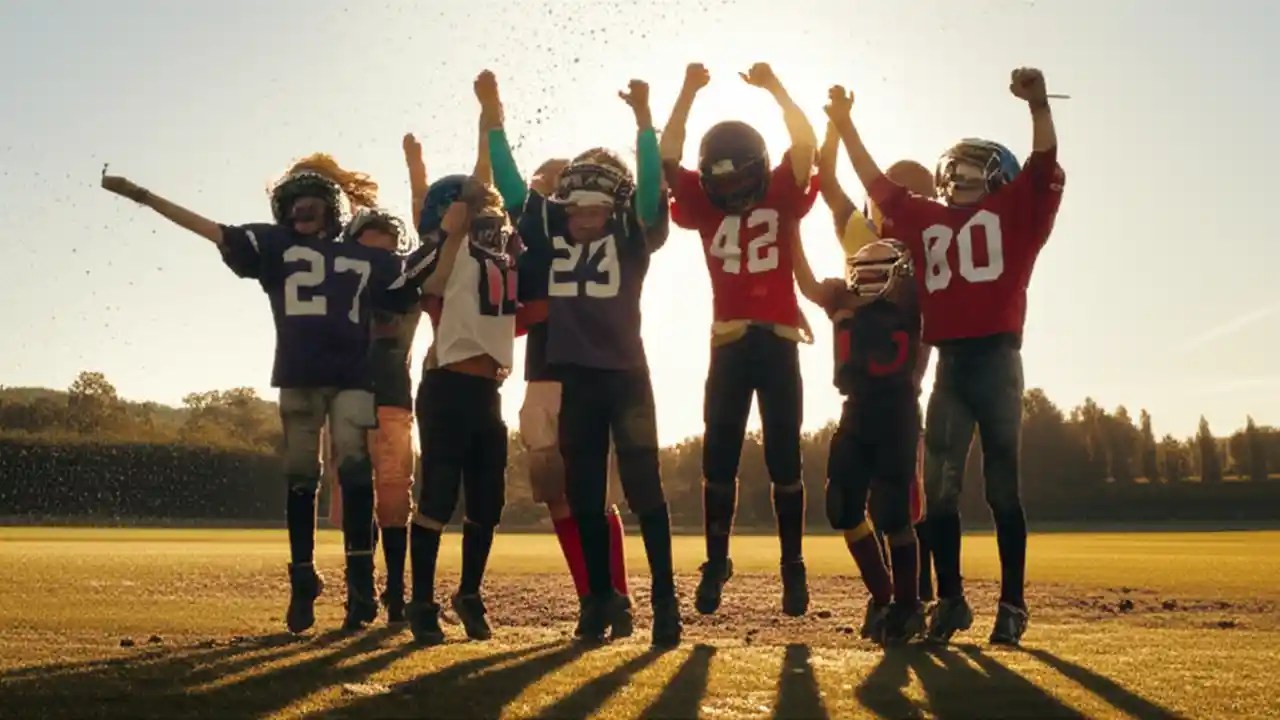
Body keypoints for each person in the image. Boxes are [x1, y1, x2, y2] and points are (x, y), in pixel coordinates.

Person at [101, 155, 411, 633]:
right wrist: (143, 196)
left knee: (352, 475)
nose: (301, 212)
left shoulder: (291, 246)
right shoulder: (343, 254)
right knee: (305, 476)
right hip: (307, 375)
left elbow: (213, 229)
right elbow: (212, 230)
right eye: (295, 205)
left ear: (328, 209)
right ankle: (306, 577)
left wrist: (144, 196)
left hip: (343, 376)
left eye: (308, 204)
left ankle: (359, 583)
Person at [824, 67, 1065, 645]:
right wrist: (846, 123)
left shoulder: (1017, 215)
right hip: (951, 366)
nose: (956, 179)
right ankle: (951, 601)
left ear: (998, 178)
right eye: (952, 171)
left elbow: (1041, 166)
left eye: (971, 171)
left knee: (1002, 489)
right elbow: (874, 183)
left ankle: (1012, 603)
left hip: (998, 362)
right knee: (939, 494)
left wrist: (1036, 106)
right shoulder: (927, 218)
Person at [494, 77, 681, 647]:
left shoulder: (632, 230)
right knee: (585, 497)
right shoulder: (549, 229)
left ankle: (666, 604)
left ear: (616, 204)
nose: (586, 214)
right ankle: (599, 600)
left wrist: (645, 120)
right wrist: (494, 119)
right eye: (578, 203)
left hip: (626, 377)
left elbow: (650, 194)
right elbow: (509, 187)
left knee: (646, 491)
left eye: (600, 204)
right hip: (574, 376)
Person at [478, 72, 636, 640]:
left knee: (590, 491)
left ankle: (612, 593)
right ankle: (592, 596)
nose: (546, 193)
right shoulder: (523, 243)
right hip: (543, 371)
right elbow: (508, 320)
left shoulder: (590, 233)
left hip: (589, 369)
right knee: (555, 491)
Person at [661, 61, 819, 617]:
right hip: (731, 343)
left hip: (772, 342)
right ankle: (717, 560)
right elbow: (664, 160)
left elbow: (805, 143)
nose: (727, 187)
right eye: (718, 177)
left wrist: (777, 87)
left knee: (784, 459)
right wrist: (684, 91)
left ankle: (792, 568)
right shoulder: (721, 201)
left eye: (735, 176)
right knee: (718, 459)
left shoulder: (779, 190)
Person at [816, 122, 937, 602]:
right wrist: (832, 128)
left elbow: (831, 188)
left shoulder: (925, 249)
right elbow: (829, 187)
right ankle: (895, 598)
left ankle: (912, 598)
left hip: (900, 391)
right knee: (875, 500)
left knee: (901, 502)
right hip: (876, 389)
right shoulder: (874, 242)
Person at [792, 230, 930, 645]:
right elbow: (809, 285)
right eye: (863, 272)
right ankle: (885, 599)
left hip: (898, 410)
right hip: (855, 410)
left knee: (892, 513)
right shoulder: (841, 297)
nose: (868, 281)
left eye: (879, 272)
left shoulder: (915, 300)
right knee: (842, 507)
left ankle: (909, 607)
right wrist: (793, 231)